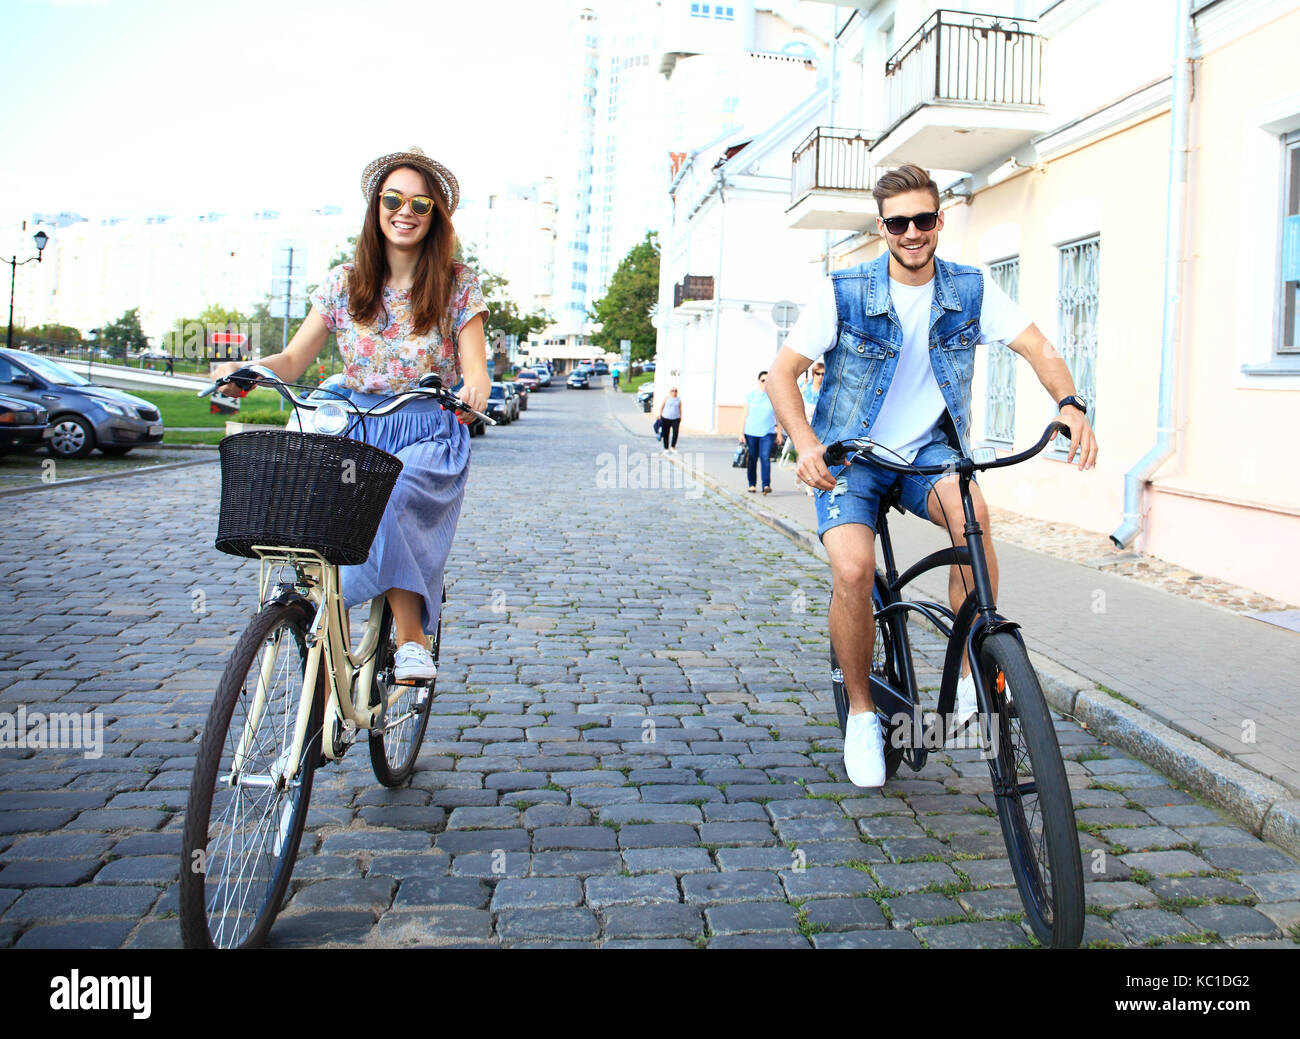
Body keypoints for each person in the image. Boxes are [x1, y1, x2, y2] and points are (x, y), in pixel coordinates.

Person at [766, 164, 1097, 789]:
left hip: (928, 456)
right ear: (883, 227)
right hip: (851, 458)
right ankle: (863, 716)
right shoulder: (844, 291)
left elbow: (1037, 347)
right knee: (854, 571)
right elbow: (783, 373)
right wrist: (805, 443)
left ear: (939, 221)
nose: (912, 232)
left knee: (972, 517)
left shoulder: (971, 290)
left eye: (923, 219)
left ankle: (977, 668)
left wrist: (1071, 404)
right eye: (899, 223)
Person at [213, 146, 490, 683]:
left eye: (420, 203)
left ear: (435, 216)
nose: (404, 211)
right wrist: (249, 369)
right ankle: (321, 616)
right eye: (393, 199)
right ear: (376, 208)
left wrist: (475, 388)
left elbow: (475, 367)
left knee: (394, 493)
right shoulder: (344, 282)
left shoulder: (457, 282)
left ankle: (411, 636)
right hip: (351, 422)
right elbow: (294, 360)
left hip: (423, 425)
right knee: (305, 495)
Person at [738, 370, 784, 493]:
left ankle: (766, 485)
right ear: (759, 381)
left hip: (768, 432)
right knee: (752, 458)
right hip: (751, 432)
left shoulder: (774, 397)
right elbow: (744, 415)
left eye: (768, 381)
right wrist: (741, 433)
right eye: (763, 380)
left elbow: (778, 416)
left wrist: (779, 433)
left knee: (765, 457)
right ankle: (752, 484)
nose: (765, 383)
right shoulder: (751, 396)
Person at [656, 386, 682, 453]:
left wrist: (681, 417)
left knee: (675, 432)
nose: (674, 392)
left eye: (675, 391)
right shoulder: (666, 398)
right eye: (673, 390)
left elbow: (680, 408)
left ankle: (673, 447)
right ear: (670, 392)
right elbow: (662, 406)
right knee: (666, 433)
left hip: (676, 418)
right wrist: (659, 414)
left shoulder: (679, 400)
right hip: (665, 418)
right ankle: (666, 448)